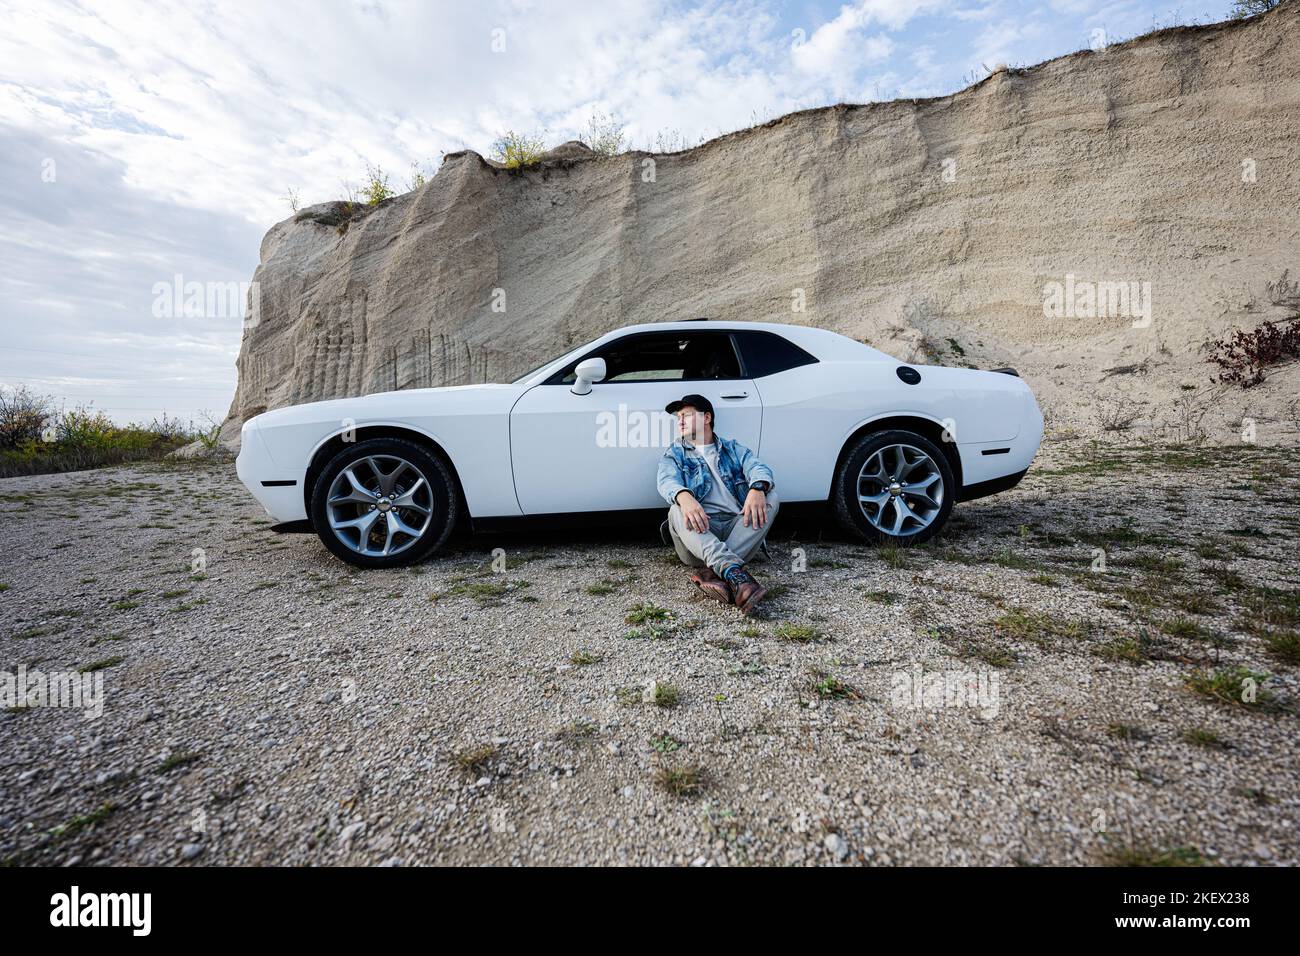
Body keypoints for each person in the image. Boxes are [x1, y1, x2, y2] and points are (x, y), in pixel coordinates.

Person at [656, 393, 779, 614]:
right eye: (678, 417)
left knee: (772, 496)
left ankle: (715, 573)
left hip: (737, 529)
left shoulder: (732, 449)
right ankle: (733, 572)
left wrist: (757, 488)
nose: (680, 420)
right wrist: (685, 498)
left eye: (686, 415)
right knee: (676, 509)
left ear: (706, 418)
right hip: (700, 535)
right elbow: (666, 481)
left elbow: (759, 468)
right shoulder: (675, 453)